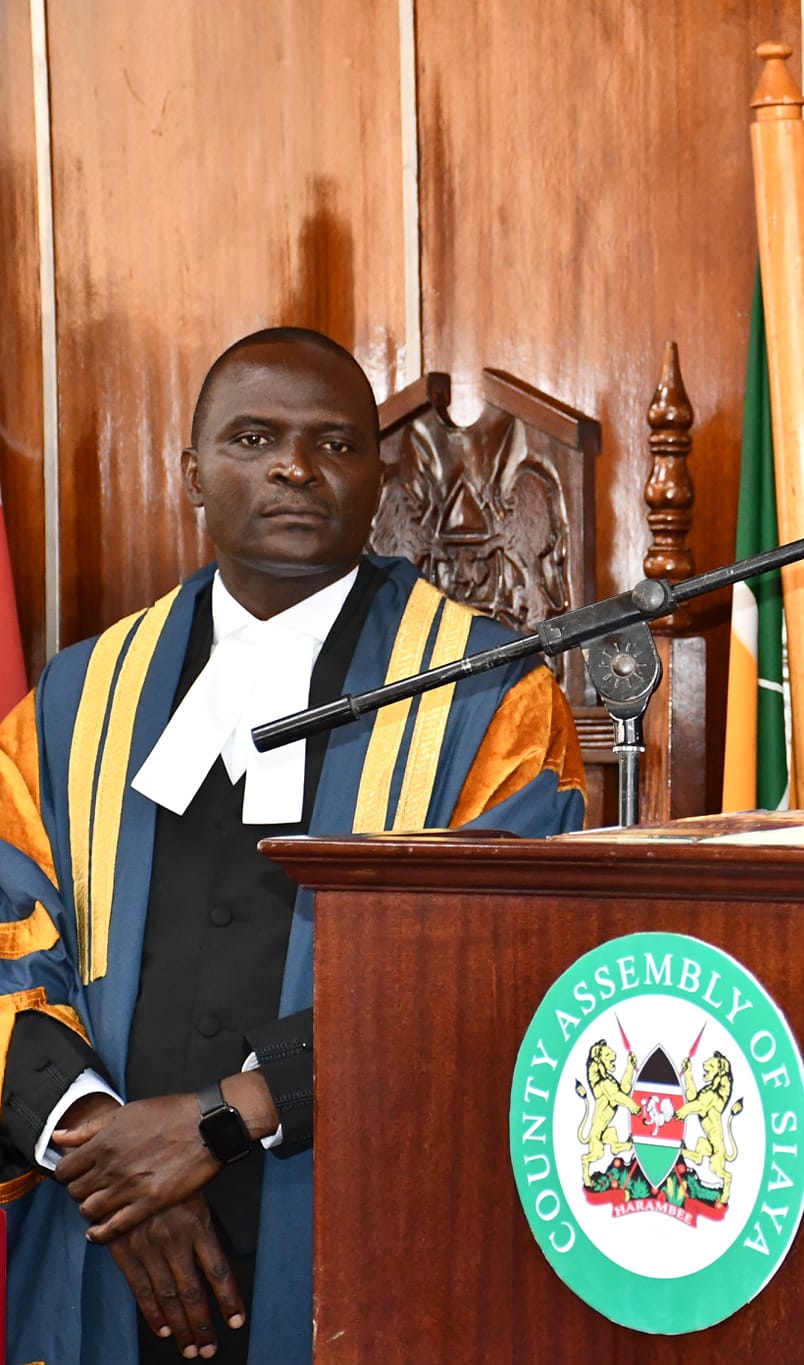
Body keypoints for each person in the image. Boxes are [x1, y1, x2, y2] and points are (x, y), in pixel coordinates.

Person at [0, 327, 587, 1365]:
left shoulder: (488, 691)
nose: (294, 468)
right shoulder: (77, 698)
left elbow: (509, 960)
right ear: (192, 470)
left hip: (363, 1234)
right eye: (254, 436)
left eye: (336, 444)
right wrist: (111, 1157)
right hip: (109, 1254)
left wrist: (221, 1121)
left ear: (381, 474)